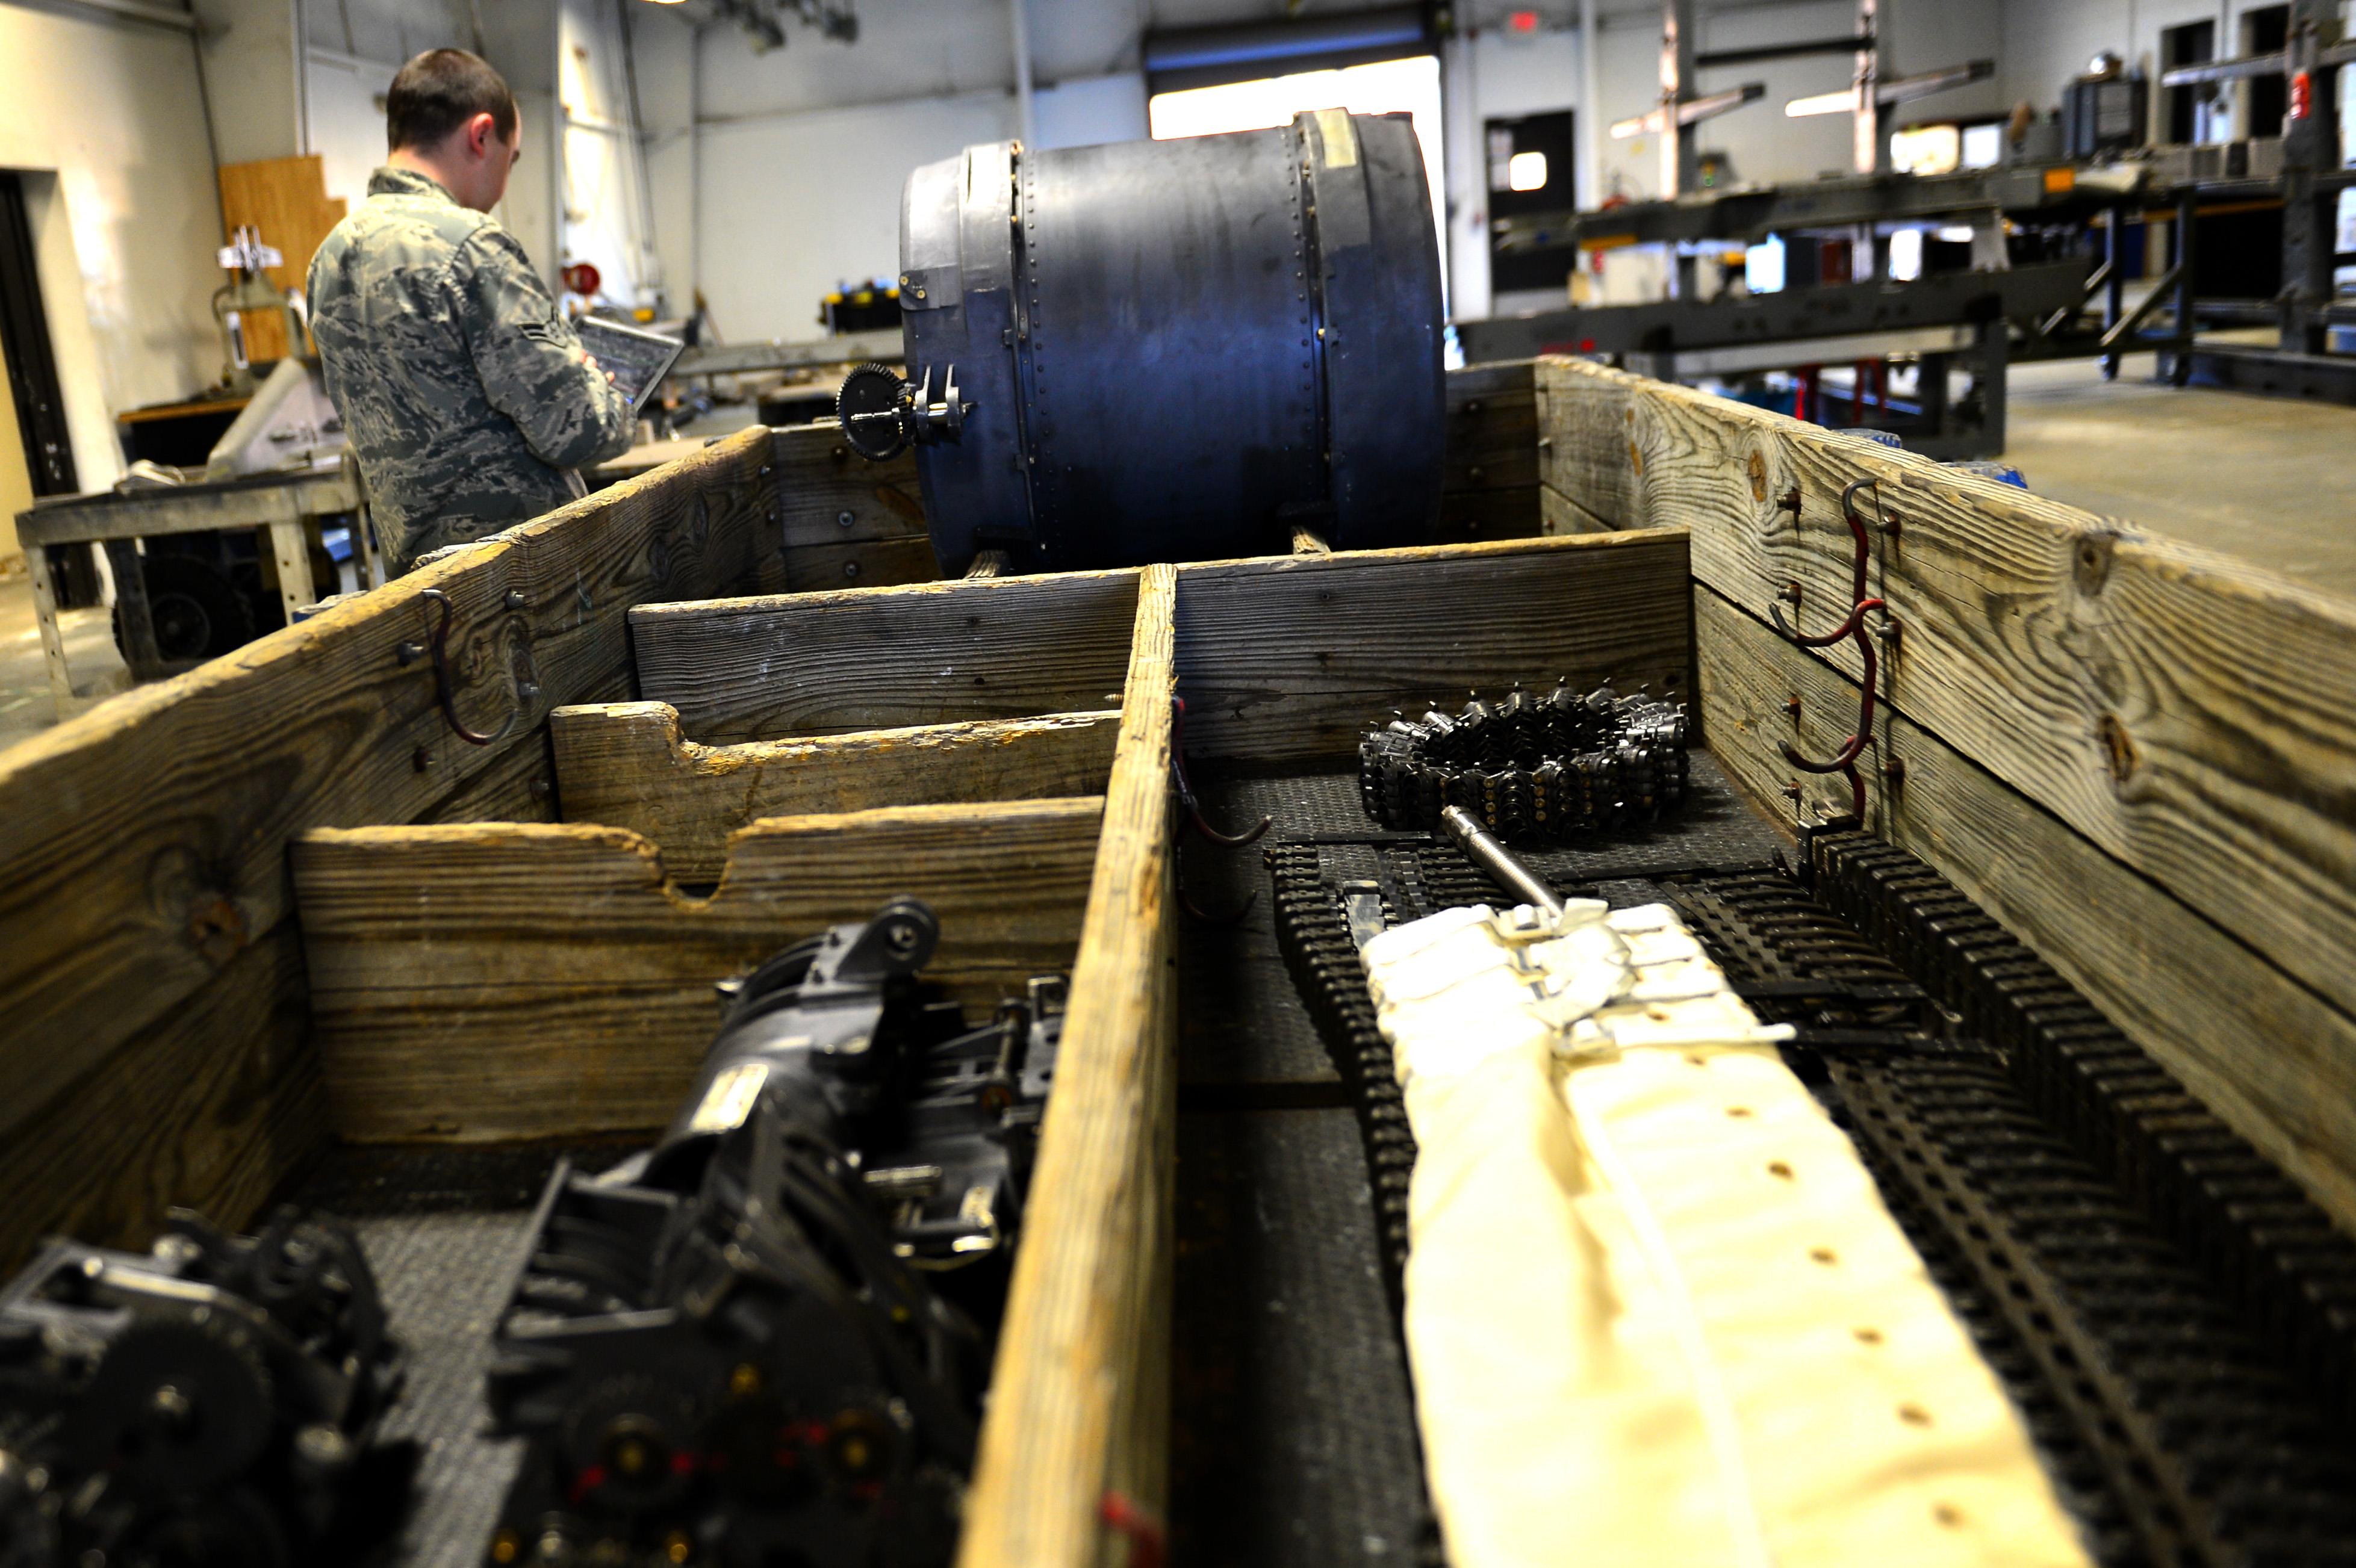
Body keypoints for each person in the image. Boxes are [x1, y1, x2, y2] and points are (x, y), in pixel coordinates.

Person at [307, 48, 633, 575]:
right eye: (514, 155)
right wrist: (602, 391)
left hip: (421, 586)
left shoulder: (331, 257)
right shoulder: (470, 245)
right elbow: (578, 429)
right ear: (482, 135)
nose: (508, 174)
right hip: (522, 578)